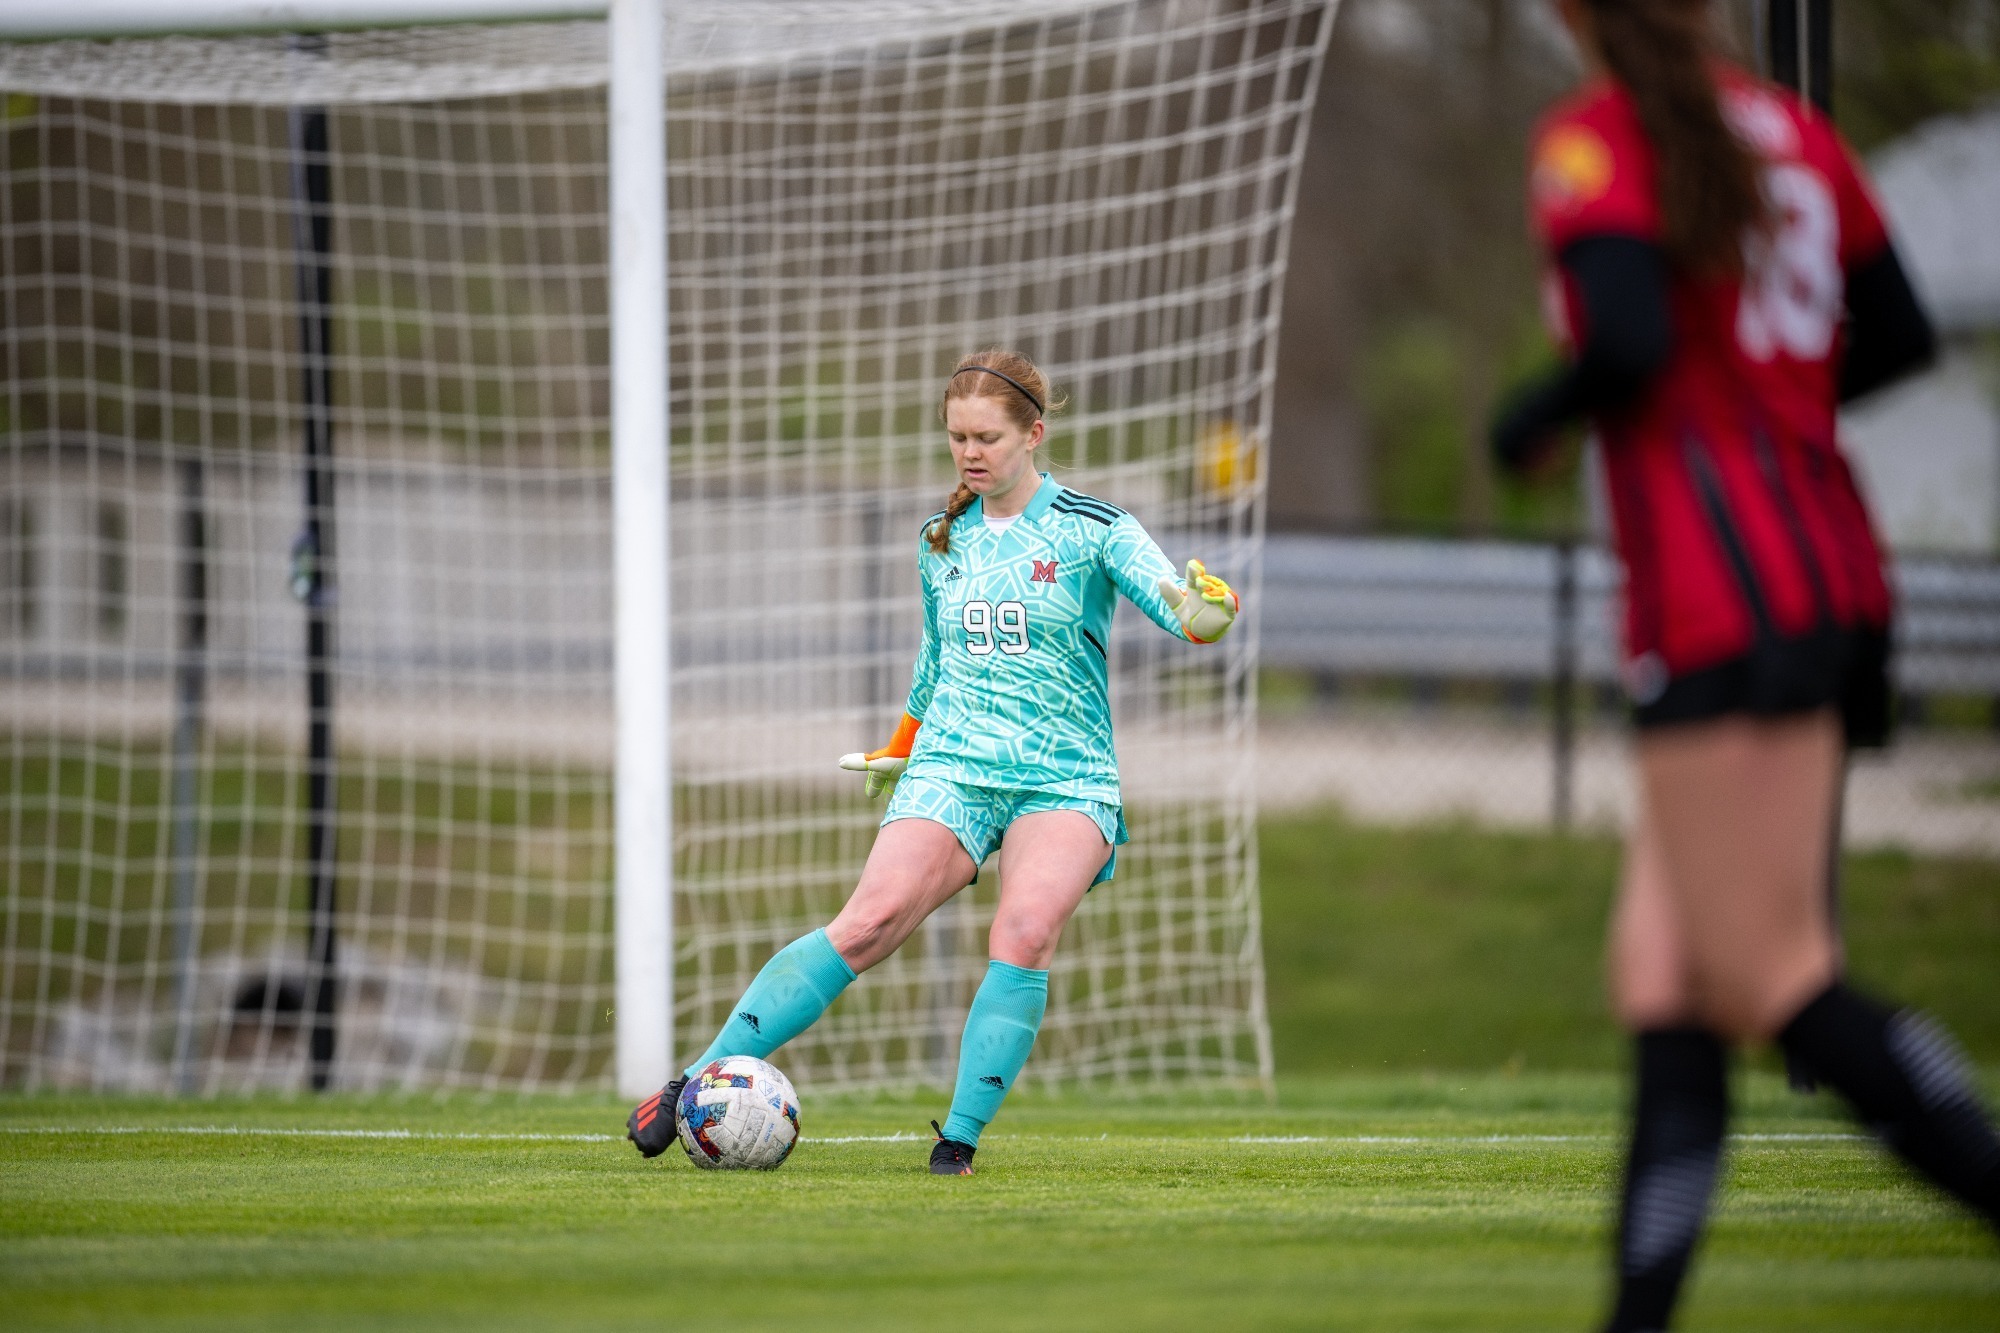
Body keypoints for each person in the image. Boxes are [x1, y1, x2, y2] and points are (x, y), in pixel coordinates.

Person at [1492, 2, 2000, 1327]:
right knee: (1667, 982)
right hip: (1823, 565)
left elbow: (1627, 341)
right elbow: (1894, 335)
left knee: (1775, 976)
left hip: (1730, 595)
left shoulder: (1598, 142)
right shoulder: (1798, 136)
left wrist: (1530, 420)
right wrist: (1766, 402)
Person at [626, 348, 1240, 1175]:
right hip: (952, 763)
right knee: (868, 920)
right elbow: (934, 662)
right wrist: (900, 746)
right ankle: (688, 1084)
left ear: (1035, 433)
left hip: (1064, 776)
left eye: (987, 436)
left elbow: (1184, 615)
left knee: (1023, 931)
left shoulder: (1096, 530)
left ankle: (957, 1143)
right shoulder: (940, 539)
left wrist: (1210, 608)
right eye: (957, 437)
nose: (970, 453)